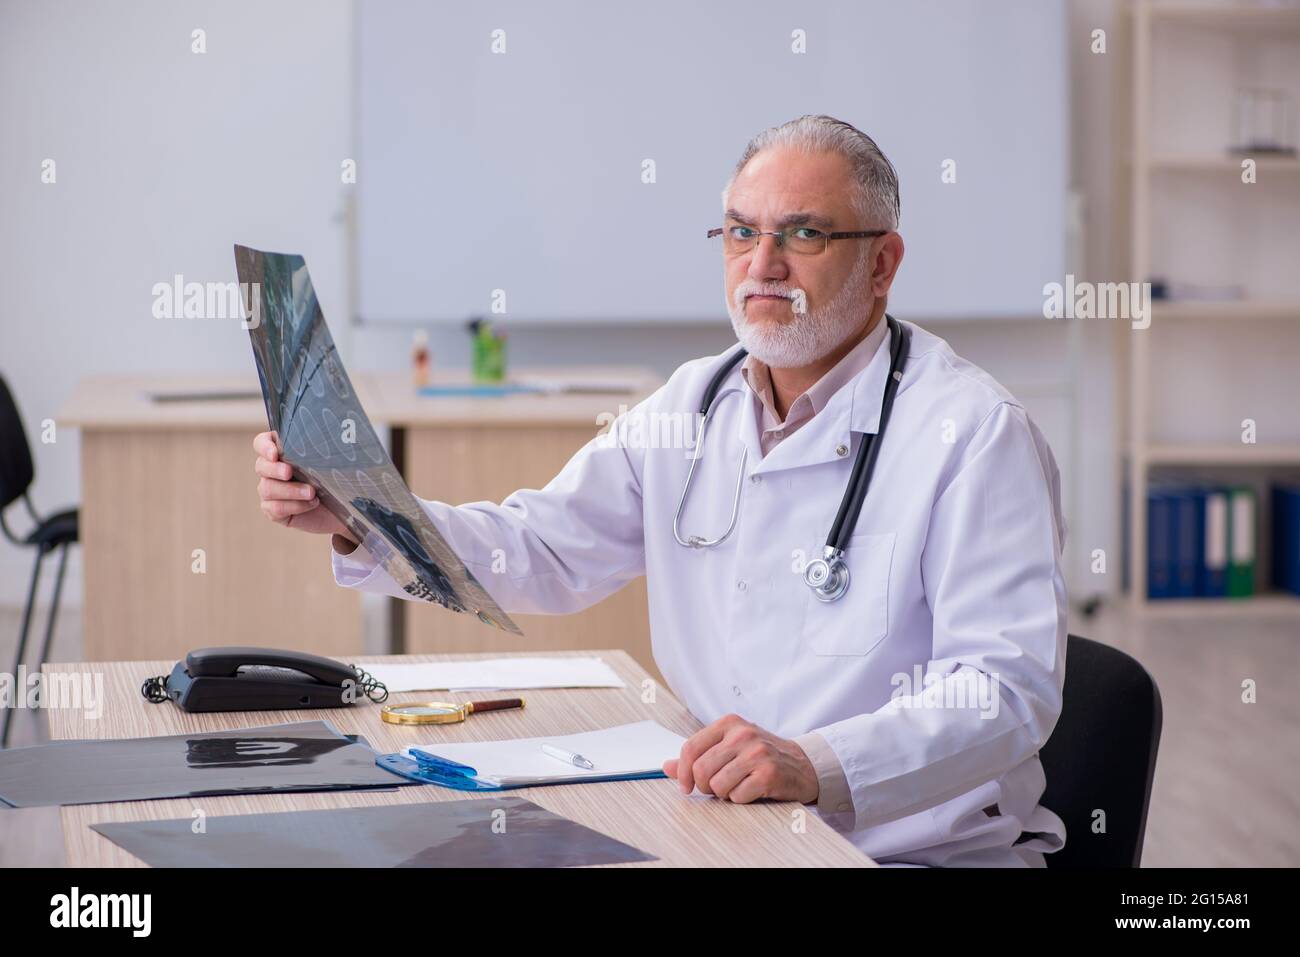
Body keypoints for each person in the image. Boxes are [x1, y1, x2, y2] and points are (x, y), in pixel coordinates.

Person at [253, 115, 1067, 866]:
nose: (763, 266)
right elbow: (539, 547)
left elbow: (1003, 690)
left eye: (804, 234)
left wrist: (814, 762)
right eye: (742, 232)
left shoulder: (973, 431)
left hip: (906, 851)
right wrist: (361, 516)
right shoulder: (693, 402)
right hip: (727, 828)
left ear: (883, 263)